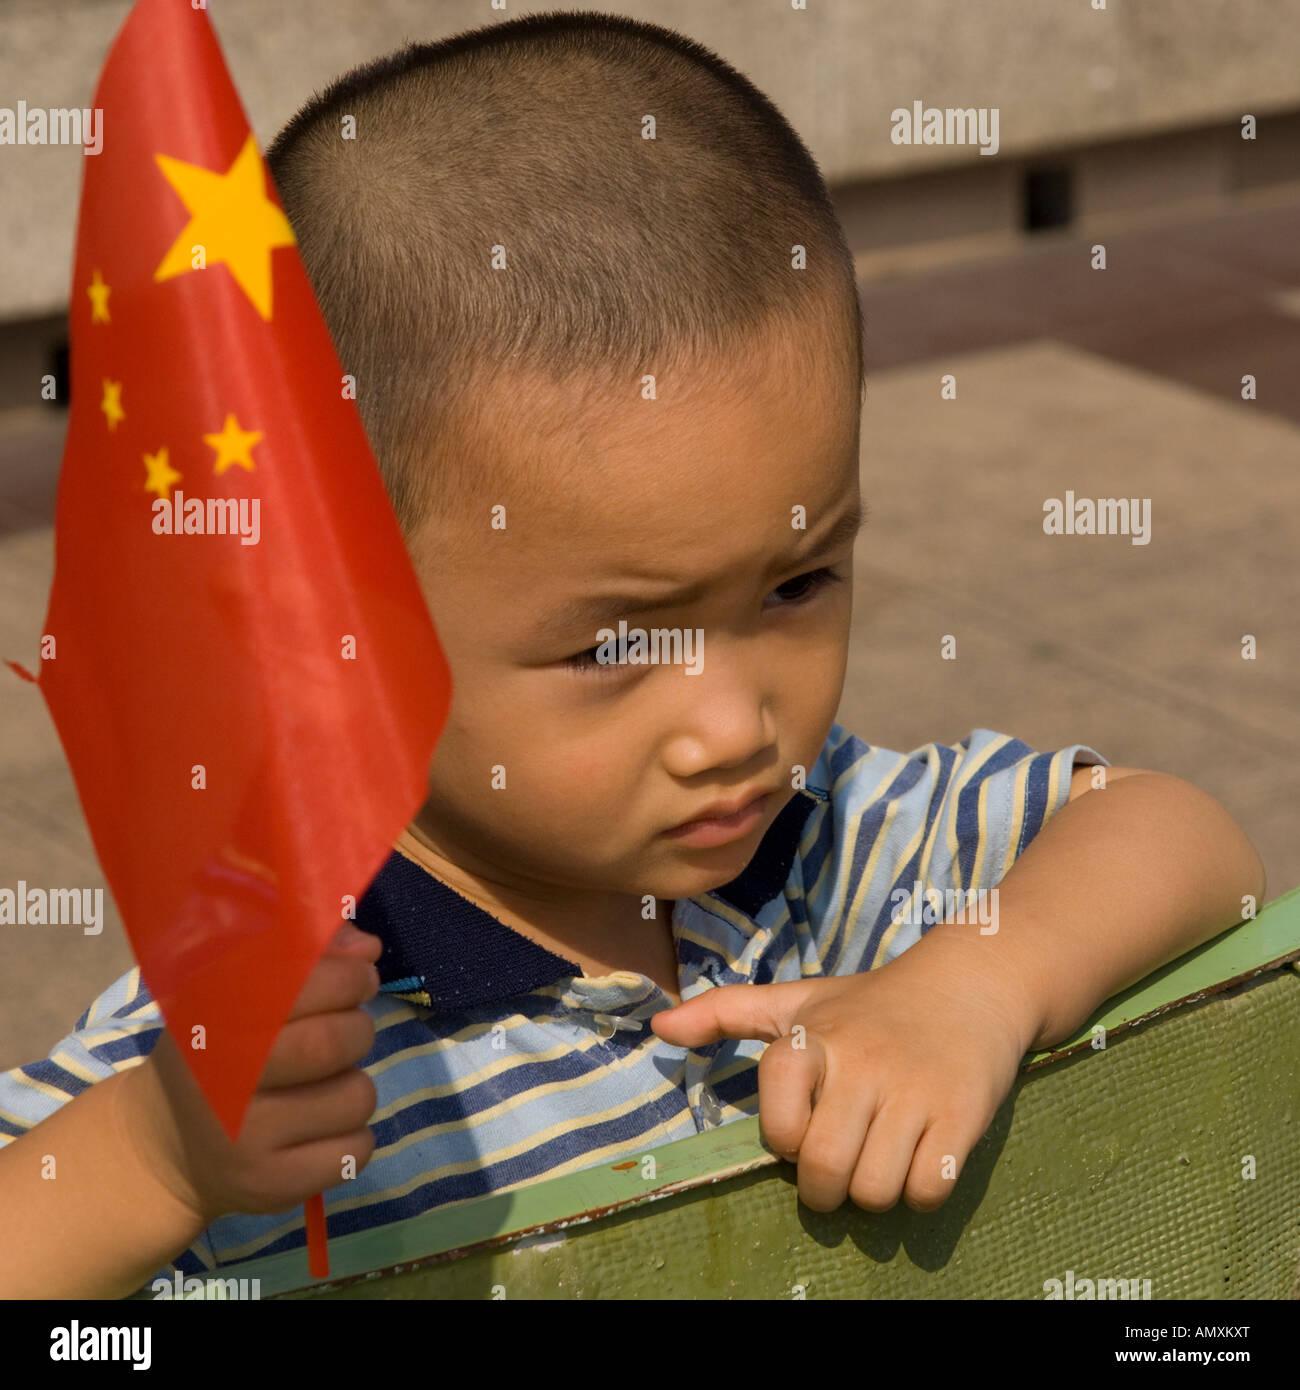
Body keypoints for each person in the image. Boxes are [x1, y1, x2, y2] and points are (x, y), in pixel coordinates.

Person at [0, 11, 1266, 1298]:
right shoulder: (269, 1026)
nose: (734, 728)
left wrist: (977, 984)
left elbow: (1187, 845)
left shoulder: (827, 849)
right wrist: (157, 1159)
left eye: (796, 582)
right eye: (615, 644)